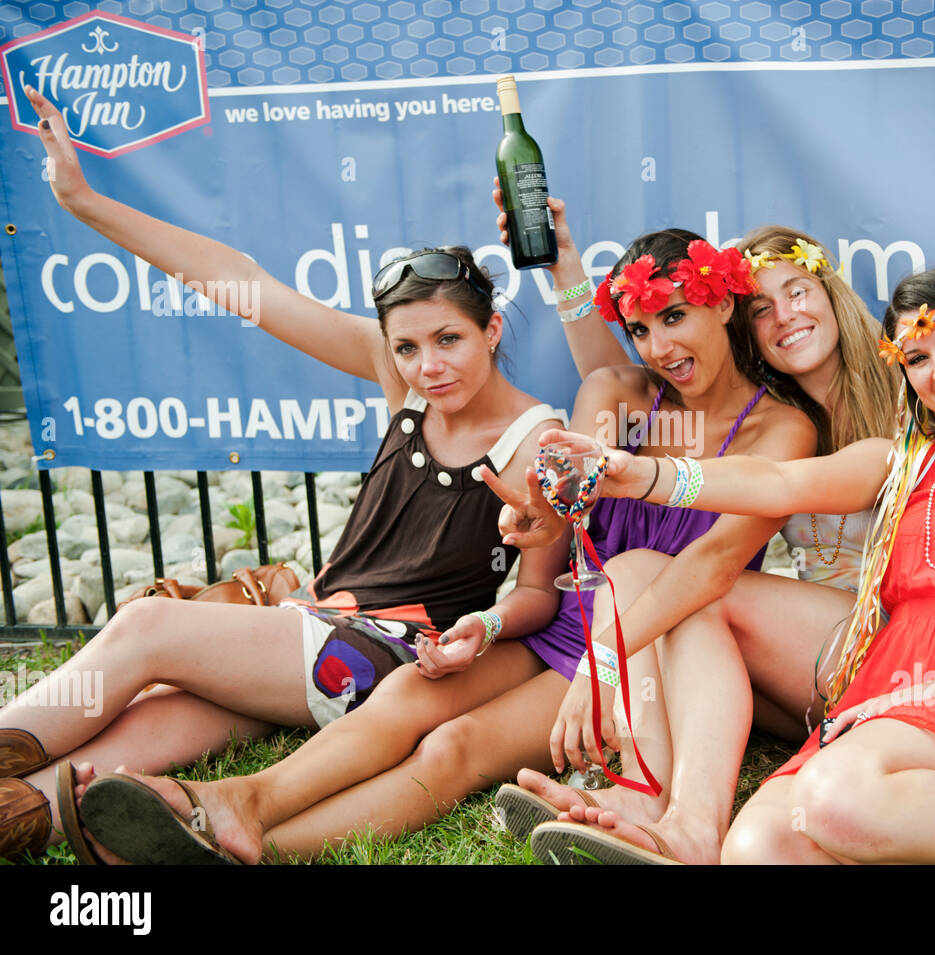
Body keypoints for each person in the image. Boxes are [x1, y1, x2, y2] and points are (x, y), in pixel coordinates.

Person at [66, 227, 817, 863]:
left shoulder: (782, 428)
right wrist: (533, 532)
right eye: (642, 328)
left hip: (650, 636)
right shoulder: (617, 394)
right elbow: (563, 503)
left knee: (451, 751)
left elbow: (714, 562)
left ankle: (250, 842)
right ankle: (232, 800)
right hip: (562, 622)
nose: (658, 345)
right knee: (405, 696)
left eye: (674, 317)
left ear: (723, 304)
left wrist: (609, 660)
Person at [0, 86, 571, 863]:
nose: (428, 366)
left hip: (385, 657)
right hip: (317, 632)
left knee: (146, 628)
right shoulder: (403, 385)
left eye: (449, 339)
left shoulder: (538, 435)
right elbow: (244, 285)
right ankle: (27, 807)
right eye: (407, 347)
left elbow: (540, 592)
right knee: (169, 703)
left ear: (492, 328)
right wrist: (86, 203)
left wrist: (486, 627)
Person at [500, 223, 935, 864]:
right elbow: (778, 482)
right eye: (918, 358)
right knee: (756, 850)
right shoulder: (907, 456)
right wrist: (637, 472)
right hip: (880, 662)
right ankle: (680, 821)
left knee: (838, 799)